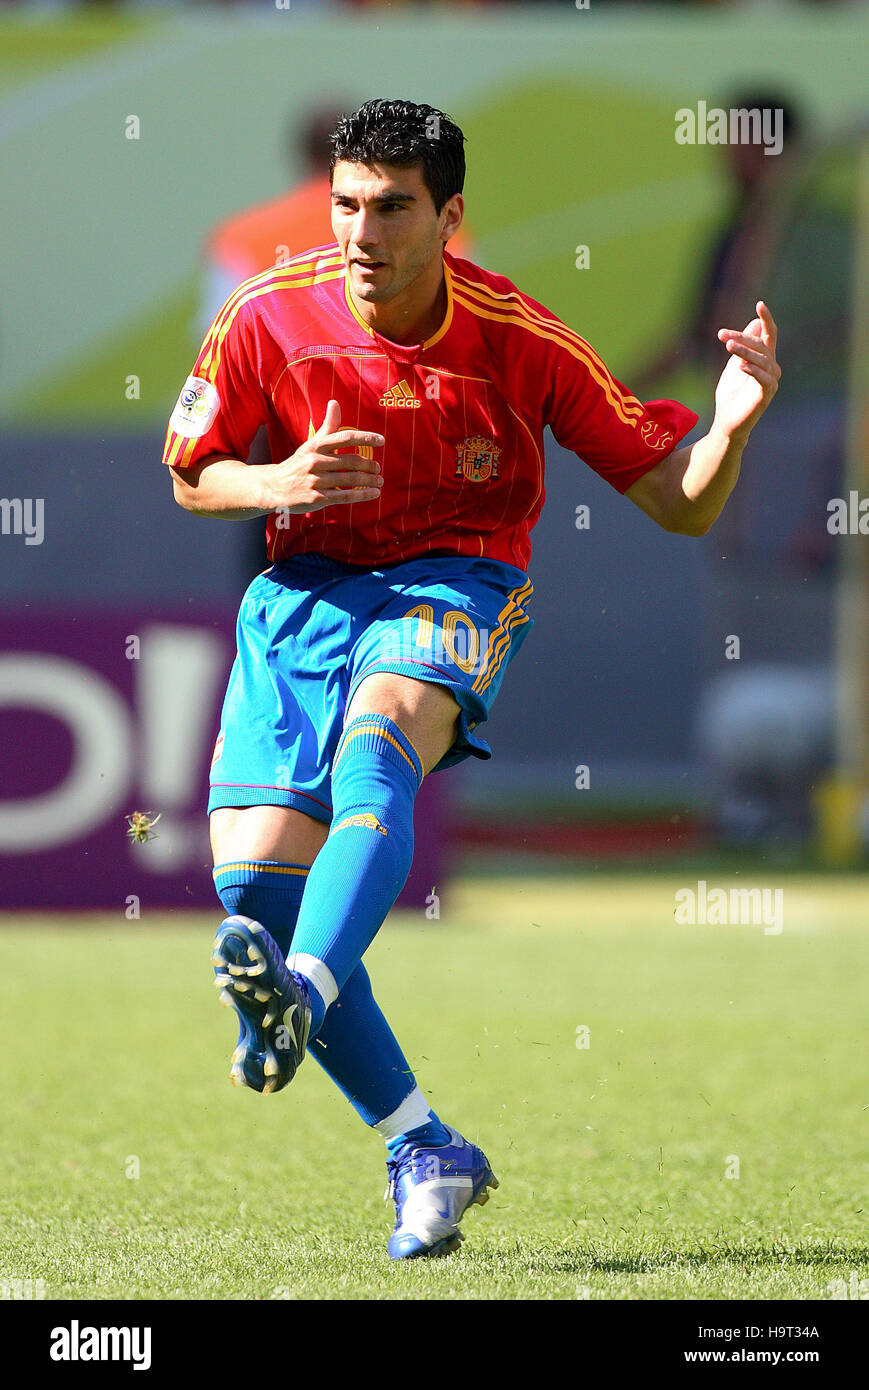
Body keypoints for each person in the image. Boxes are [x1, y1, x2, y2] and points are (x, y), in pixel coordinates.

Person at [163, 98, 780, 1260]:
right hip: (302, 595)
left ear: (449, 218)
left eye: (392, 208)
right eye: (347, 203)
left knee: (381, 736)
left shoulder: (521, 338)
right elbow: (193, 475)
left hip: (455, 582)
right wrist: (277, 480)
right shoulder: (264, 312)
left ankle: (299, 991)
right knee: (252, 889)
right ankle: (422, 1143)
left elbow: (680, 504)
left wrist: (730, 427)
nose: (361, 231)